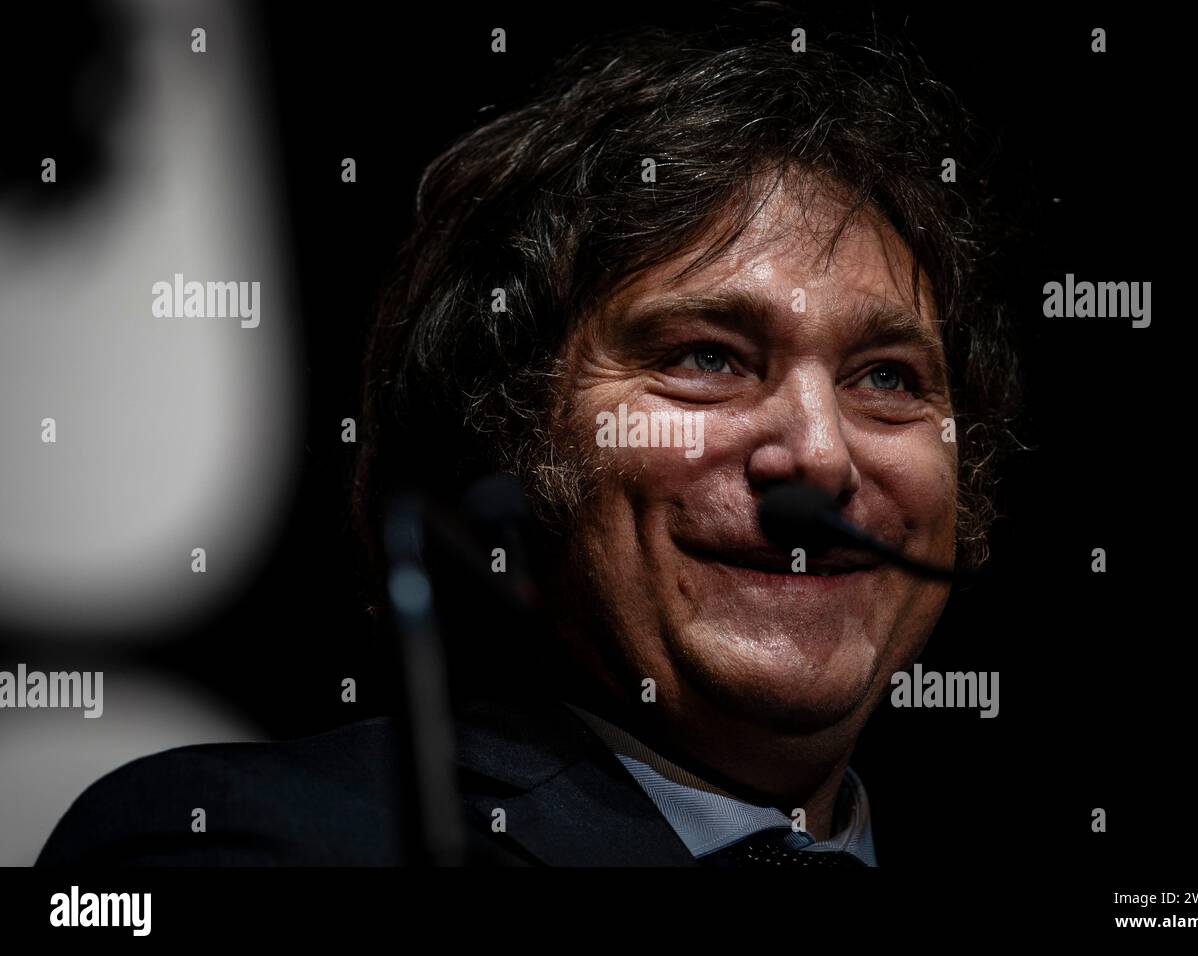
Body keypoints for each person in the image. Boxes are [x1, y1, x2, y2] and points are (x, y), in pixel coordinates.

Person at [38, 9, 1019, 868]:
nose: (820, 454)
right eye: (708, 358)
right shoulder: (242, 842)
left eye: (887, 379)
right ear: (508, 436)